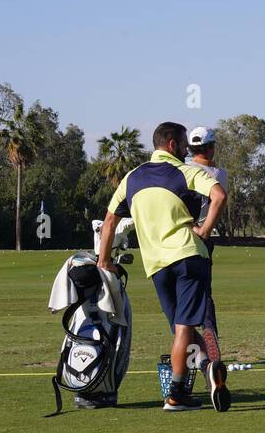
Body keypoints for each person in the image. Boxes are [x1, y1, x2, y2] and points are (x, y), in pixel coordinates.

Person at [97, 121, 231, 412]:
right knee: (184, 327)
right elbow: (219, 196)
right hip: (188, 256)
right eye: (184, 144)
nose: (187, 150)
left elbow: (109, 223)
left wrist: (104, 261)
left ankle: (204, 369)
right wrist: (206, 229)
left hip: (156, 266)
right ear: (172, 145)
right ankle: (178, 393)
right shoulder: (185, 172)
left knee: (179, 328)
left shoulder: (131, 178)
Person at [186, 126, 227, 368]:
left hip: (181, 238)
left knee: (184, 295)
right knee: (205, 290)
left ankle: (191, 342)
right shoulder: (220, 174)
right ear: (210, 147)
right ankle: (209, 327)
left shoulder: (180, 170)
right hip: (205, 239)